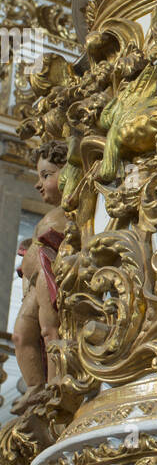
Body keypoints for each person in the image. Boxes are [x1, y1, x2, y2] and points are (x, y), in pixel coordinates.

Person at [11, 141, 68, 409]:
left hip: (49, 276)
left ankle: (56, 383)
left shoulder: (73, 211)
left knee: (49, 330)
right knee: (20, 335)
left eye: (46, 175)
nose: (38, 184)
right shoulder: (52, 215)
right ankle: (35, 385)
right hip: (34, 283)